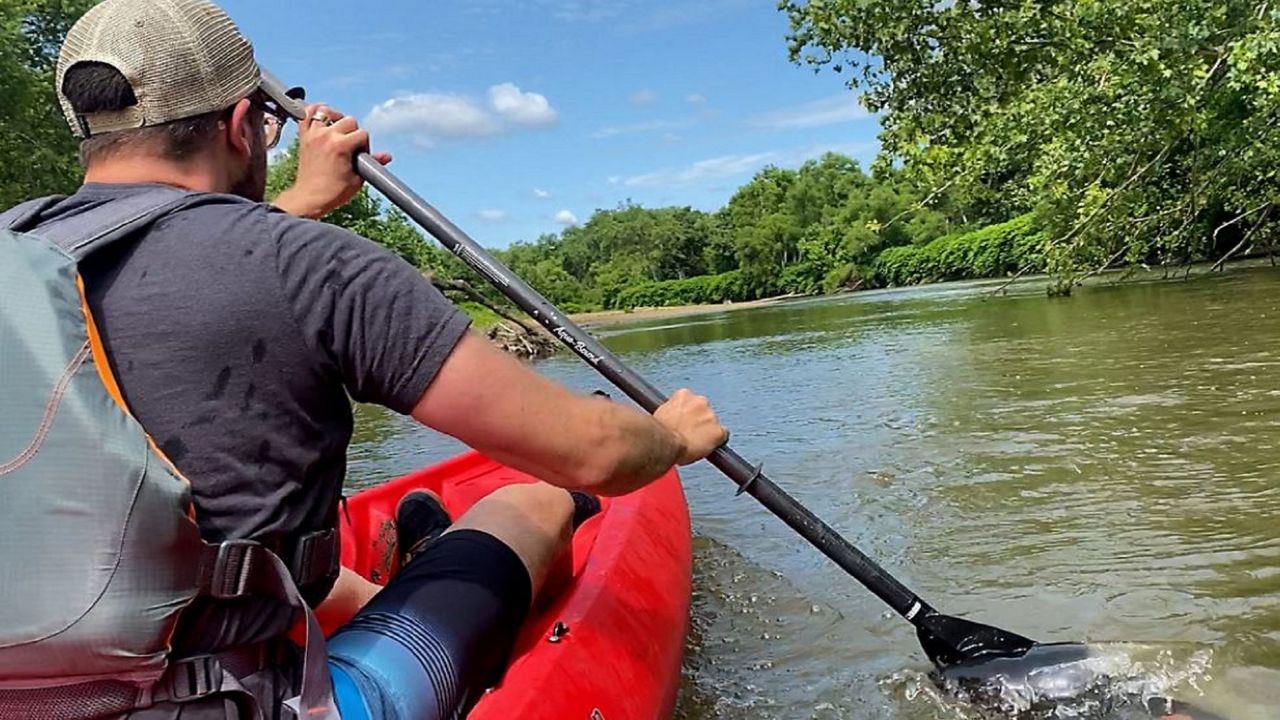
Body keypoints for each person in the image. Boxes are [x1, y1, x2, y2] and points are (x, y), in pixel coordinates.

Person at [4, 0, 728, 718]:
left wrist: (296, 203)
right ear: (238, 126)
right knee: (530, 499)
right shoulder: (312, 269)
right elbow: (593, 454)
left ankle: (396, 588)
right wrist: (672, 436)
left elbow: (151, 272)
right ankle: (430, 584)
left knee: (303, 577)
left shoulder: (17, 261)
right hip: (237, 702)